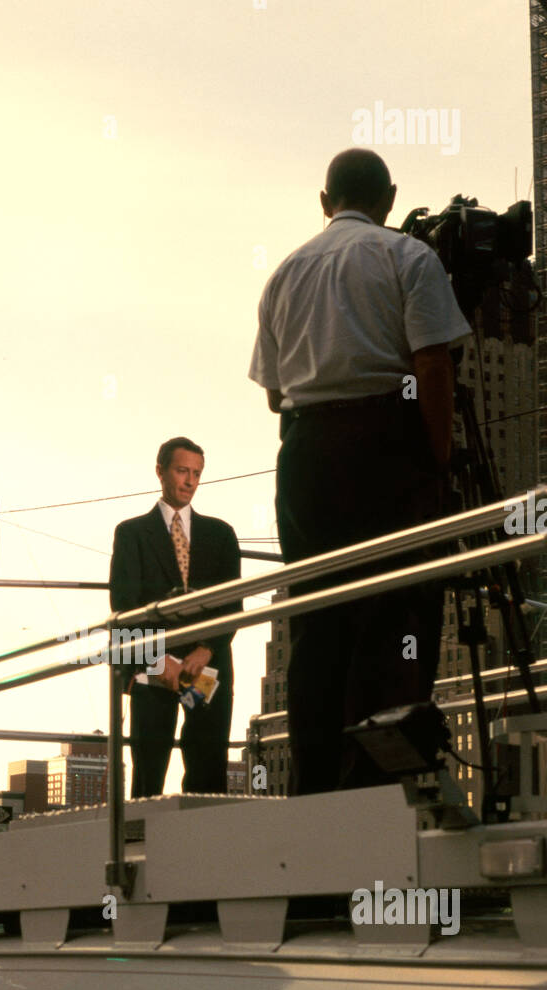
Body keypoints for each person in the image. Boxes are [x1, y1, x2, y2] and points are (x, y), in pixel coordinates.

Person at [249, 148, 472, 795]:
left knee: (318, 621)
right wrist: (436, 461)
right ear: (391, 198)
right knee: (396, 614)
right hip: (386, 443)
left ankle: (316, 794)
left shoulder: (285, 273)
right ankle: (382, 788)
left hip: (306, 457)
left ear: (324, 202)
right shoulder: (408, 257)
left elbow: (272, 393)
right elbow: (433, 365)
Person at [109, 437, 242, 796]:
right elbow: (123, 606)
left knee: (207, 763)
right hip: (154, 665)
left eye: (197, 473)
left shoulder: (221, 534)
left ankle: (205, 843)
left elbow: (232, 606)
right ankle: (141, 842)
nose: (190, 481)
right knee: (149, 766)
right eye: (182, 471)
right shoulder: (132, 533)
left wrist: (206, 650)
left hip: (204, 666)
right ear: (160, 472)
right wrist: (155, 660)